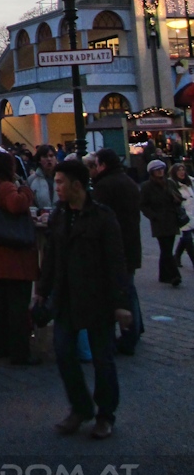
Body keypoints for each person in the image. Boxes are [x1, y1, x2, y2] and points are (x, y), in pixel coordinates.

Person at [36, 159, 132, 439]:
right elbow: (51, 256)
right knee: (64, 353)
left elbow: (116, 261)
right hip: (65, 295)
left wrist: (121, 303)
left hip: (97, 296)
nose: (57, 188)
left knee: (103, 359)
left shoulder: (102, 216)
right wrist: (42, 290)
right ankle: (80, 407)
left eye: (61, 182)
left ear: (77, 185)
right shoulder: (59, 216)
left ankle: (105, 414)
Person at [0, 148, 39, 365]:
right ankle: (20, 352)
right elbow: (16, 204)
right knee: (17, 305)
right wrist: (26, 192)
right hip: (12, 253)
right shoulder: (4, 187)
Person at [89, 148, 143, 355]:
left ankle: (129, 334)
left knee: (123, 290)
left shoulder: (105, 186)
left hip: (116, 246)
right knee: (129, 288)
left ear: (103, 165)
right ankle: (135, 330)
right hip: (131, 243)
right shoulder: (128, 181)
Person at [140, 158, 182, 287]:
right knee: (166, 249)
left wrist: (177, 199)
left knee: (167, 249)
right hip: (159, 221)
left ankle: (163, 275)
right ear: (152, 172)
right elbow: (143, 205)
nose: (160, 172)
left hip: (171, 219)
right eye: (157, 170)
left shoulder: (169, 183)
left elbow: (179, 197)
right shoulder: (147, 186)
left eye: (161, 169)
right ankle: (175, 275)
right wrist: (154, 216)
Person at [171, 163, 194, 268]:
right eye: (179, 170)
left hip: (193, 213)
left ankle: (176, 256)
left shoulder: (191, 182)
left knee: (185, 239)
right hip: (183, 216)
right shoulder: (172, 185)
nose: (181, 172)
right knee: (188, 239)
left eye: (183, 170)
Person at [28, 145, 58, 210]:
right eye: (45, 156)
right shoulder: (31, 180)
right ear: (39, 160)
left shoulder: (63, 178)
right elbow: (30, 204)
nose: (49, 159)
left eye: (51, 156)